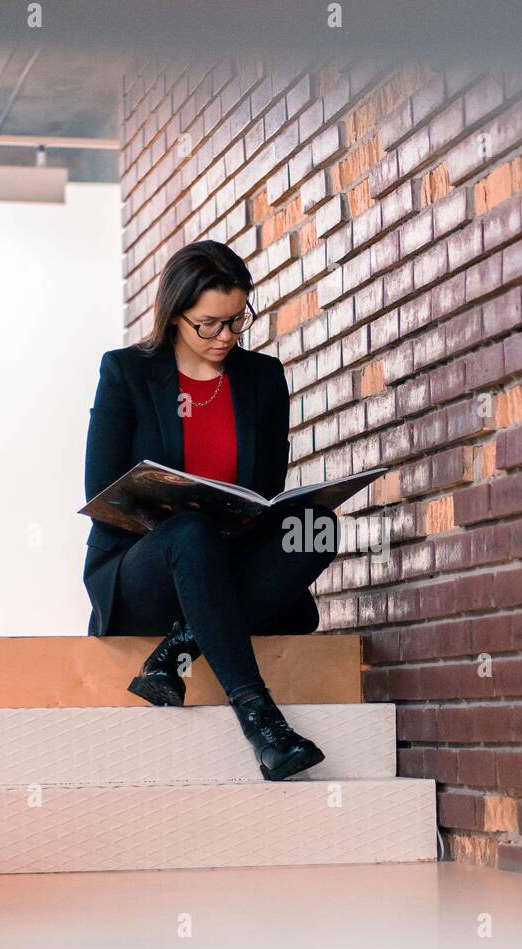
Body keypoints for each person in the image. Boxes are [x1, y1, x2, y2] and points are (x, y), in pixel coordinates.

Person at [83, 240, 340, 781]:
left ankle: (180, 649)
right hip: (142, 569)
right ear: (175, 315)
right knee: (191, 533)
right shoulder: (127, 374)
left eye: (236, 321)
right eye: (209, 325)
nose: (226, 337)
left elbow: (264, 492)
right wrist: (176, 513)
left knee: (314, 529)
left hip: (225, 563)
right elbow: (103, 495)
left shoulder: (262, 379)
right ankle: (261, 721)